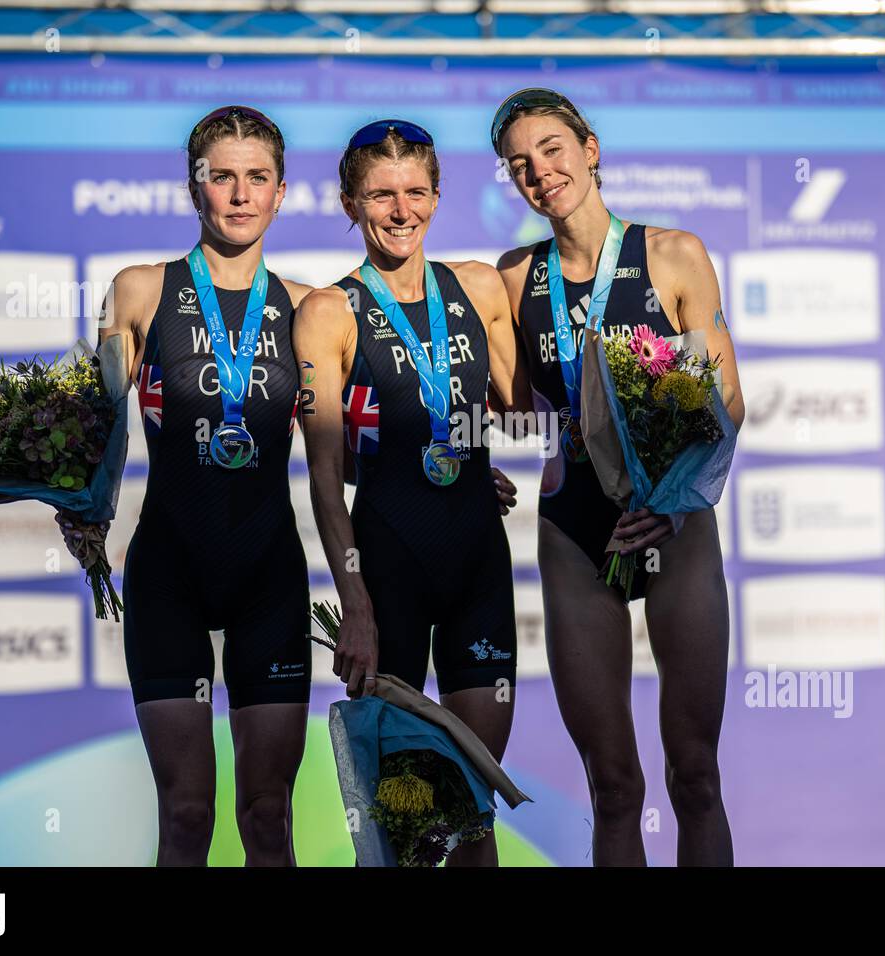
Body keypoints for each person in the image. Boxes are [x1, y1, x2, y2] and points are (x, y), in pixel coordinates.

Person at [491, 88, 746, 866]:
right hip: (574, 527)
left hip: (674, 524)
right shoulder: (511, 275)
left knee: (696, 776)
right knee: (612, 787)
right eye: (521, 165)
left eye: (553, 150)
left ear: (590, 148)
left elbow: (727, 400)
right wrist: (462, 455)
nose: (542, 173)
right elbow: (506, 409)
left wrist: (671, 504)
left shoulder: (674, 254)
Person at [60, 105, 314, 866]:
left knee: (268, 816)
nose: (240, 195)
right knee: (186, 814)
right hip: (169, 569)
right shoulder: (141, 289)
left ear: (279, 192)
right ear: (193, 186)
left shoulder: (308, 305)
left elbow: (357, 438)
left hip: (270, 575)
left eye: (257, 178)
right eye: (222, 176)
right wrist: (74, 504)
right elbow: (87, 424)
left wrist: (470, 466)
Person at [293, 119, 526, 867]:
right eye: (381, 195)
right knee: (411, 830)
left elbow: (526, 413)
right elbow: (327, 477)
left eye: (417, 192)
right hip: (387, 576)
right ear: (349, 203)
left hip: (478, 573)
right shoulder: (328, 312)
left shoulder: (480, 287)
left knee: (473, 812)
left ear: (438, 193)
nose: (402, 211)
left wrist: (475, 455)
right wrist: (355, 607)